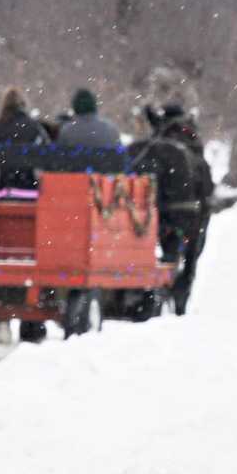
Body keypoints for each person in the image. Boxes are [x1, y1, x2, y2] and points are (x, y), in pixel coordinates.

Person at [133, 103, 215, 314]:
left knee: (167, 247)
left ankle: (154, 291)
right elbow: (206, 195)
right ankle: (179, 298)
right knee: (190, 253)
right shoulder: (192, 147)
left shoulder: (157, 145)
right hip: (191, 214)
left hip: (159, 209)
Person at [0, 86, 50, 196]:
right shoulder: (34, 127)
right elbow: (47, 158)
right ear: (23, 104)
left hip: (2, 190)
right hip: (30, 190)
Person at [55, 87, 123, 149]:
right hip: (106, 162)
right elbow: (120, 156)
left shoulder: (67, 132)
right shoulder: (111, 130)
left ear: (75, 107)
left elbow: (59, 157)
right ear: (94, 106)